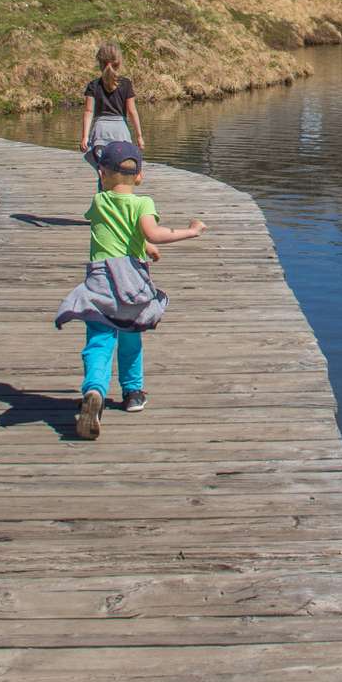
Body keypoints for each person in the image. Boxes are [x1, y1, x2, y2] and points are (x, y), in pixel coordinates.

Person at [52, 141, 205, 439]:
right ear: (139, 177)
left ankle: (94, 390)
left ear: (101, 174)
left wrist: (143, 244)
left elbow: (115, 228)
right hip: (132, 281)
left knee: (99, 341)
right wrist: (190, 231)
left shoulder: (98, 202)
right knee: (131, 337)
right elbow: (152, 232)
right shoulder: (142, 203)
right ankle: (132, 392)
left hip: (100, 281)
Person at [79, 42, 143, 172]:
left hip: (100, 131)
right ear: (118, 63)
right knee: (121, 171)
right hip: (120, 131)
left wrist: (85, 137)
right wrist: (139, 136)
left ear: (100, 63)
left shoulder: (93, 85)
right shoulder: (126, 84)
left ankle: (103, 191)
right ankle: (119, 192)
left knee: (102, 171)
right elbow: (132, 111)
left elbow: (88, 111)